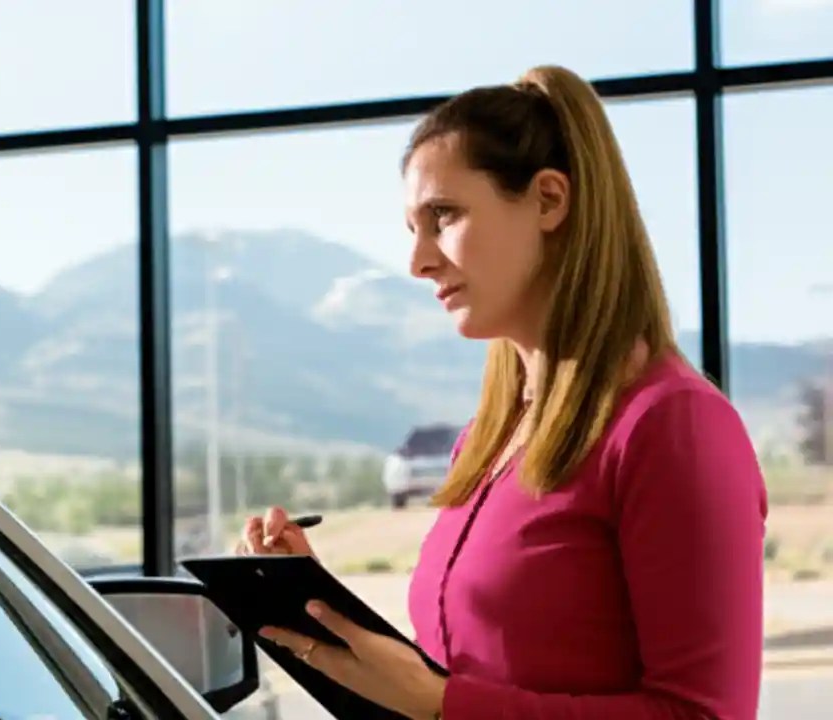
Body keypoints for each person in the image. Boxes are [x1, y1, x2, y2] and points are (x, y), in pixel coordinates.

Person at [238, 64, 767, 719]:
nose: (418, 260)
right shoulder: (486, 442)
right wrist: (318, 605)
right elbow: (467, 681)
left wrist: (441, 705)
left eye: (444, 216)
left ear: (549, 200)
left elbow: (706, 715)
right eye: (413, 228)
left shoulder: (672, 425)